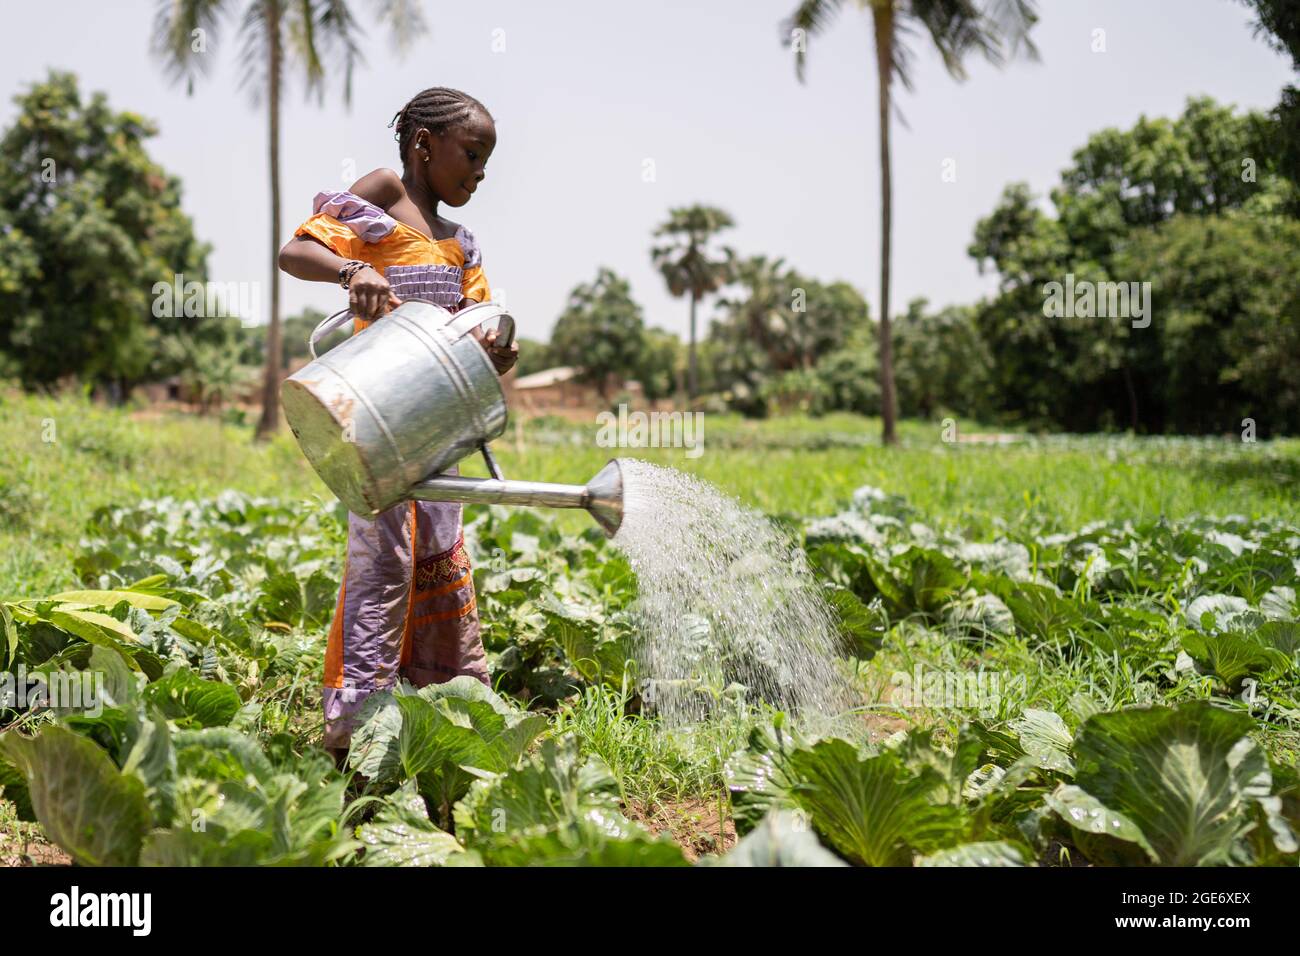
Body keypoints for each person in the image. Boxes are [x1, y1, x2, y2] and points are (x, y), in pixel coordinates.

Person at [277, 86, 516, 765]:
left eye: (485, 164)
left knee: (439, 554)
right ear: (422, 146)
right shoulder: (381, 193)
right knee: (384, 561)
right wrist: (353, 270)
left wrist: (495, 348)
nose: (477, 174)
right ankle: (356, 726)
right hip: (377, 421)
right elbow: (295, 253)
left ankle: (438, 700)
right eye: (469, 156)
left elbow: (478, 321)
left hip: (439, 423)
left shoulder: (461, 243)